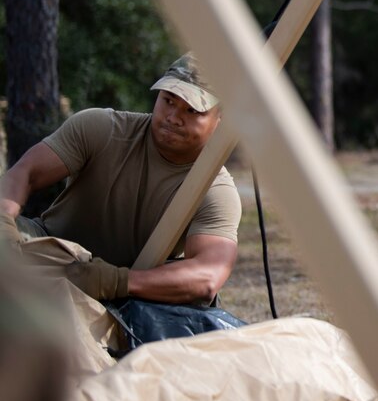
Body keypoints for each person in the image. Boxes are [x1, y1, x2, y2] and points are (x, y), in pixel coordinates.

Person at [0, 54, 241, 303]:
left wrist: (115, 281)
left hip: (131, 295)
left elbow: (207, 276)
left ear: (221, 119)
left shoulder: (215, 191)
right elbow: (25, 173)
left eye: (192, 110)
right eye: (168, 100)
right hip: (48, 252)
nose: (173, 117)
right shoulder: (101, 129)